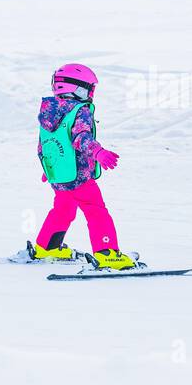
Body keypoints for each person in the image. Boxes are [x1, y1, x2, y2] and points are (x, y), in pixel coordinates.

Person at [32, 64, 135, 270]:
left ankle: (47, 247)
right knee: (96, 210)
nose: (92, 92)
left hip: (59, 175)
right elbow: (81, 138)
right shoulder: (80, 111)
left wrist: (49, 169)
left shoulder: (50, 112)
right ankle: (107, 254)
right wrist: (99, 153)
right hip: (78, 175)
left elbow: (46, 144)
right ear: (78, 88)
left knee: (63, 210)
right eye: (90, 87)